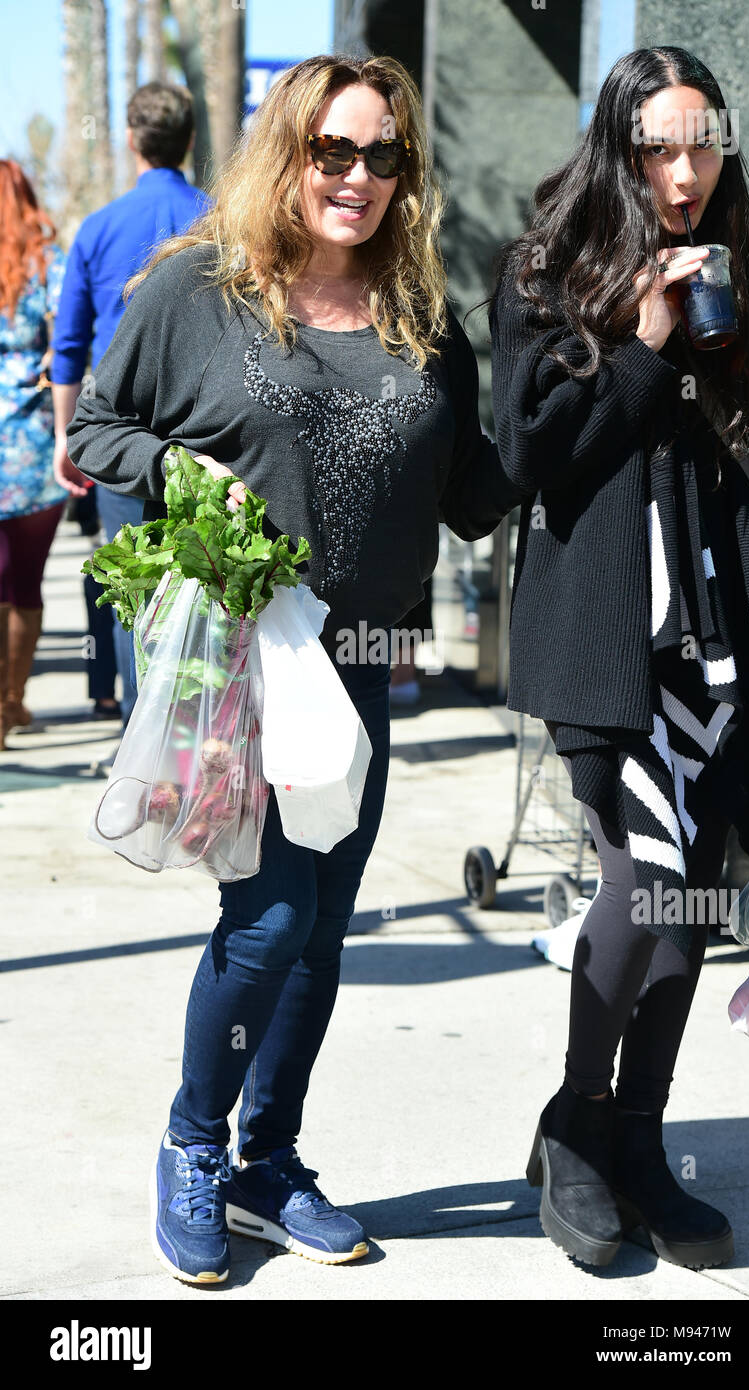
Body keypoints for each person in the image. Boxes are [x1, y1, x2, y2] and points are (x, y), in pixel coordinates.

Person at [66, 53, 524, 1286]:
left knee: (320, 929)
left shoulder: (422, 316)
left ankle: (269, 1162)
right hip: (234, 663)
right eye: (334, 150)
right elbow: (97, 426)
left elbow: (479, 492)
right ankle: (191, 1145)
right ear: (290, 151)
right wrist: (178, 474)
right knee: (266, 920)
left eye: (385, 156)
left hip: (361, 668)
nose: (359, 177)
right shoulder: (199, 290)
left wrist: (580, 375)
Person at [490, 45, 749, 1271]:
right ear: (617, 144)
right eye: (656, 145)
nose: (681, 169)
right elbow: (529, 458)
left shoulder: (747, 269)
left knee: (694, 895)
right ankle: (575, 1120)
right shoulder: (546, 270)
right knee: (639, 882)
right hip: (608, 634)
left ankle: (641, 1136)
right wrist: (647, 345)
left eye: (700, 143)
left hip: (723, 636)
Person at [52, 82, 210, 729]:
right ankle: (203, 733)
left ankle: (141, 742)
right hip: (210, 440)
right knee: (210, 592)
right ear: (190, 141)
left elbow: (69, 344)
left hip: (121, 440)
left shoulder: (98, 228)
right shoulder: (223, 221)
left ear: (129, 139)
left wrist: (69, 435)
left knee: (133, 588)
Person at [0, 160, 69, 751]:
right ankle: (12, 700)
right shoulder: (47, 260)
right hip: (34, 446)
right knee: (25, 581)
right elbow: (68, 339)